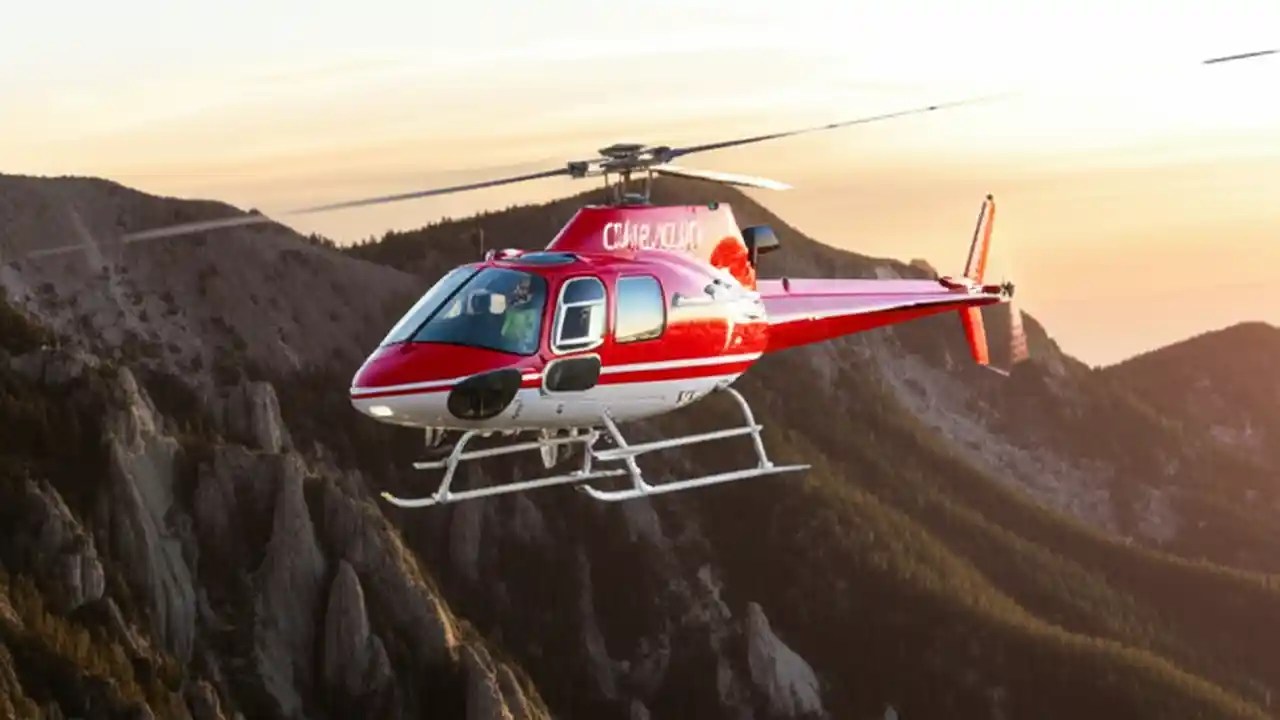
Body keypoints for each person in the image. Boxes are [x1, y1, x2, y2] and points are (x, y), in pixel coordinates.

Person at [500, 275, 541, 353]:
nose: (517, 291)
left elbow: (529, 335)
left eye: (523, 288)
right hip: (505, 343)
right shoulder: (512, 305)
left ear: (531, 294)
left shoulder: (534, 313)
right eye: (518, 287)